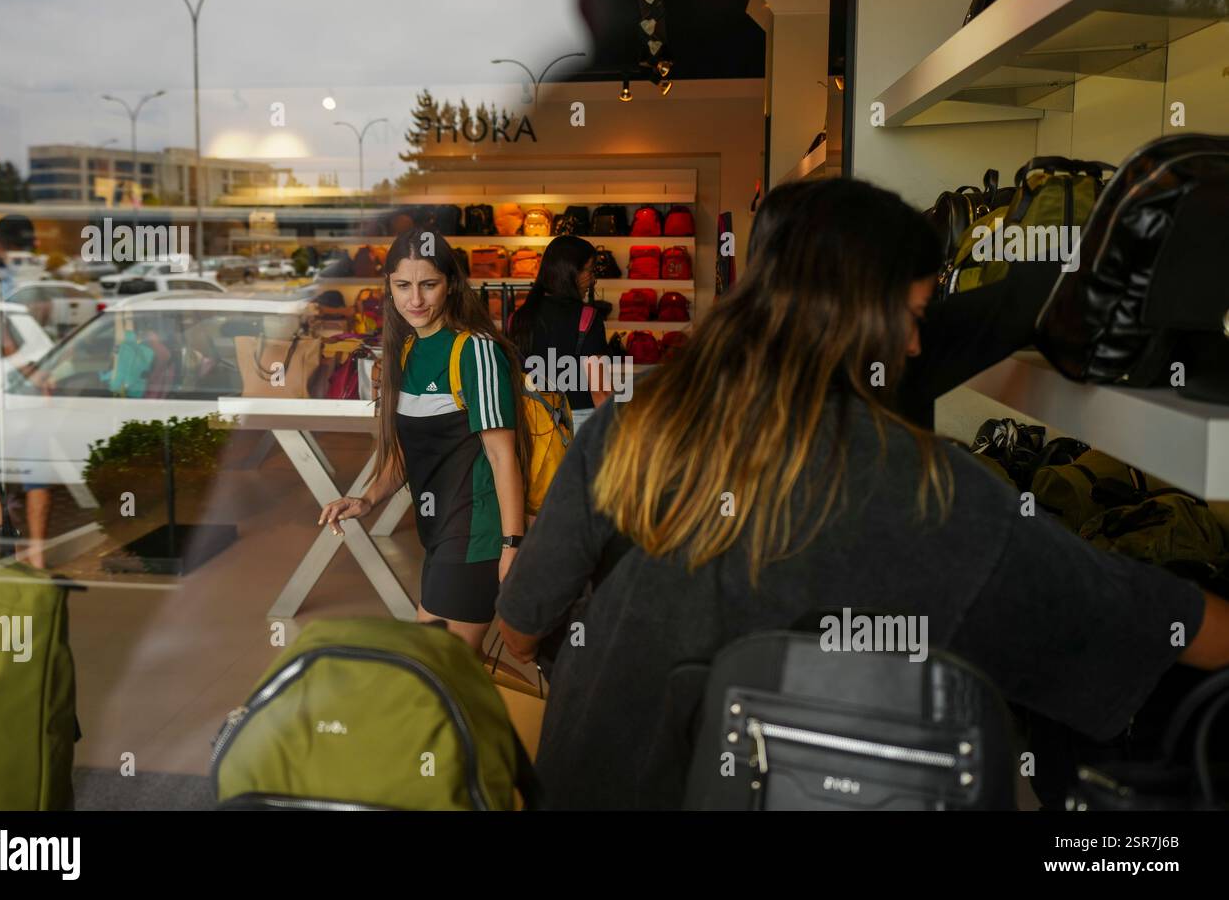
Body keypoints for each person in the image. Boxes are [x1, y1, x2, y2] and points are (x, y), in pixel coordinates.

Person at [493, 178, 1229, 810]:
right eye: (910, 319)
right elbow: (1149, 618)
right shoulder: (925, 492)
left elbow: (524, 619)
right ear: (857, 318)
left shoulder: (640, 418)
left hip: (590, 781)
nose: (916, 346)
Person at [317, 230, 527, 650]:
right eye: (403, 285)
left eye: (428, 284)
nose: (415, 299)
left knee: (435, 669)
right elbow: (410, 452)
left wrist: (512, 545)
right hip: (438, 535)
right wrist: (368, 499)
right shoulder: (409, 350)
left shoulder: (475, 351)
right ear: (389, 287)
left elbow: (503, 457)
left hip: (476, 536)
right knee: (449, 673)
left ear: (450, 284)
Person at [506, 235, 612, 432]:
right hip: (579, 422)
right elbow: (601, 391)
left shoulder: (518, 319)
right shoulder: (587, 318)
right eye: (589, 271)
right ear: (571, 272)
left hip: (533, 423)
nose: (592, 279)